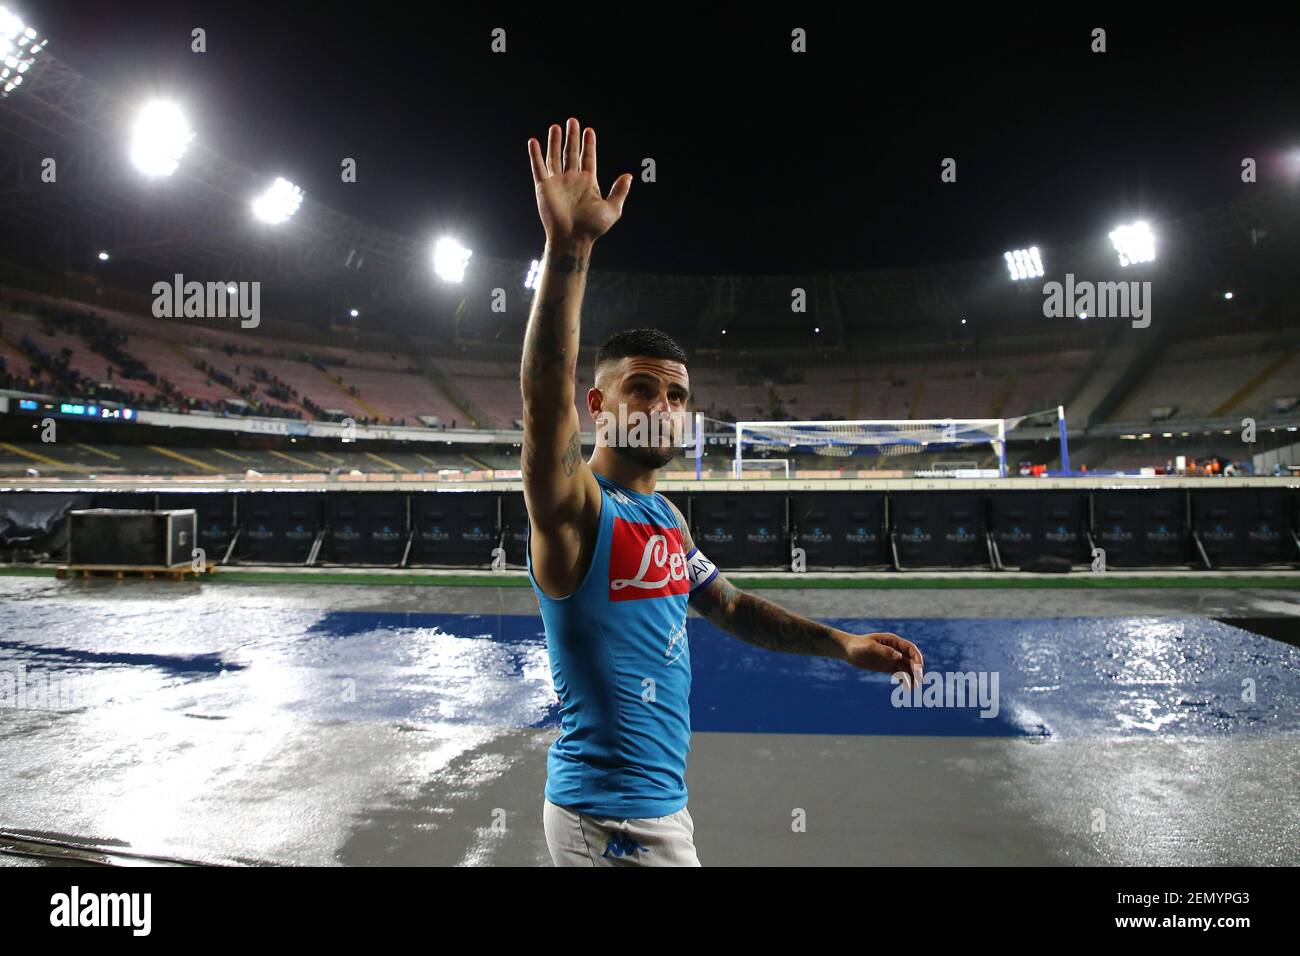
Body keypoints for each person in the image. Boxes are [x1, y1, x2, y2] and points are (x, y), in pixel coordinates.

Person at [520, 117, 925, 867]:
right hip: (611, 820)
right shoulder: (578, 509)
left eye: (676, 395)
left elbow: (731, 607)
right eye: (642, 390)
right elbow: (544, 396)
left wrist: (841, 644)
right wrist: (570, 249)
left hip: (656, 807)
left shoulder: (666, 520)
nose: (663, 407)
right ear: (598, 406)